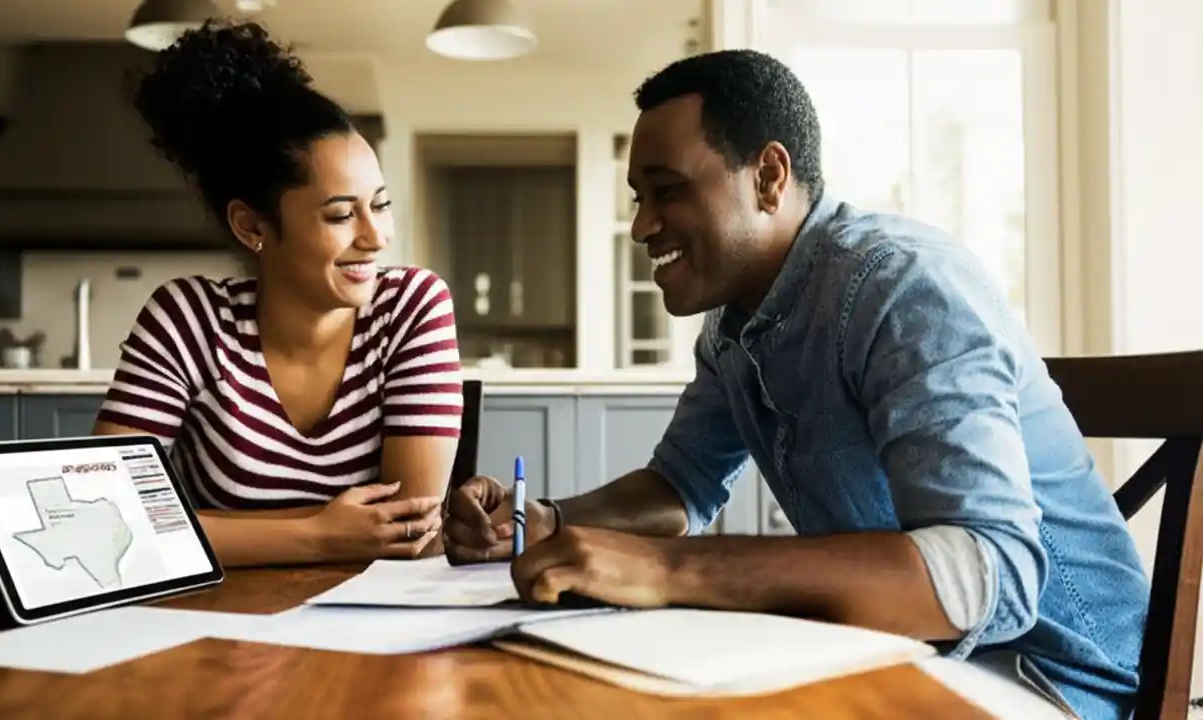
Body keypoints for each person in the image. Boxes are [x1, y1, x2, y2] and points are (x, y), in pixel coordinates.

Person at [443, 49, 1148, 720]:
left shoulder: (904, 287)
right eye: (638, 197)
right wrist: (551, 520)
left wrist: (666, 570)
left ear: (768, 176)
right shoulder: (733, 328)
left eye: (668, 191)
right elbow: (678, 489)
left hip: (1049, 678)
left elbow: (984, 577)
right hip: (899, 654)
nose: (642, 225)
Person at [92, 21, 462, 568]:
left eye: (379, 205)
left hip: (373, 626)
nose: (376, 237)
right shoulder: (187, 319)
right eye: (340, 214)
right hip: (212, 628)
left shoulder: (412, 306)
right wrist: (322, 533)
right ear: (251, 226)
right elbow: (107, 516)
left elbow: (406, 526)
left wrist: (192, 528)